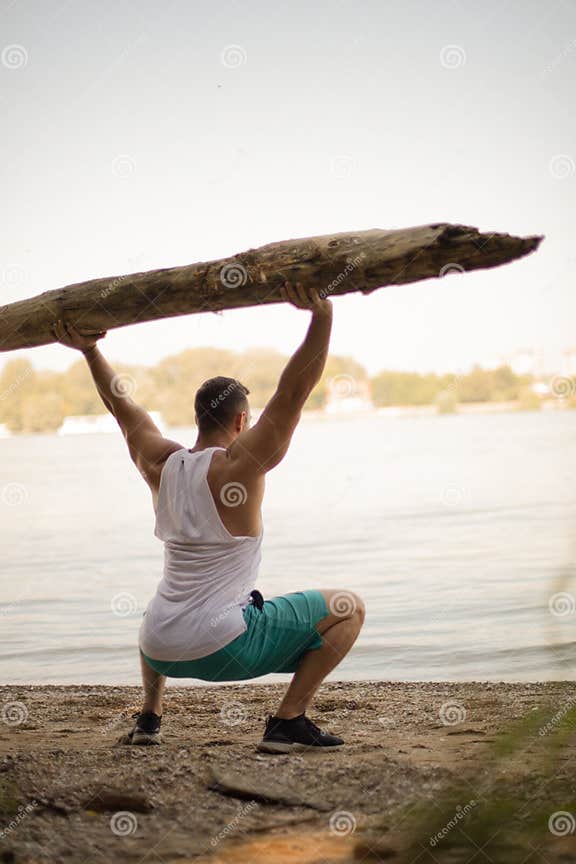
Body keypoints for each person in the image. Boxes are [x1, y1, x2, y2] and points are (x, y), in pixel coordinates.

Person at [52, 280, 365, 753]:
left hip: (159, 647)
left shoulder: (158, 463)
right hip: (224, 649)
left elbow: (122, 407)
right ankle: (288, 720)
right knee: (348, 608)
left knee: (165, 604)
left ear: (197, 419)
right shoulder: (243, 464)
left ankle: (150, 718)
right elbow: (296, 388)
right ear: (241, 422)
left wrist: (90, 352)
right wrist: (322, 316)